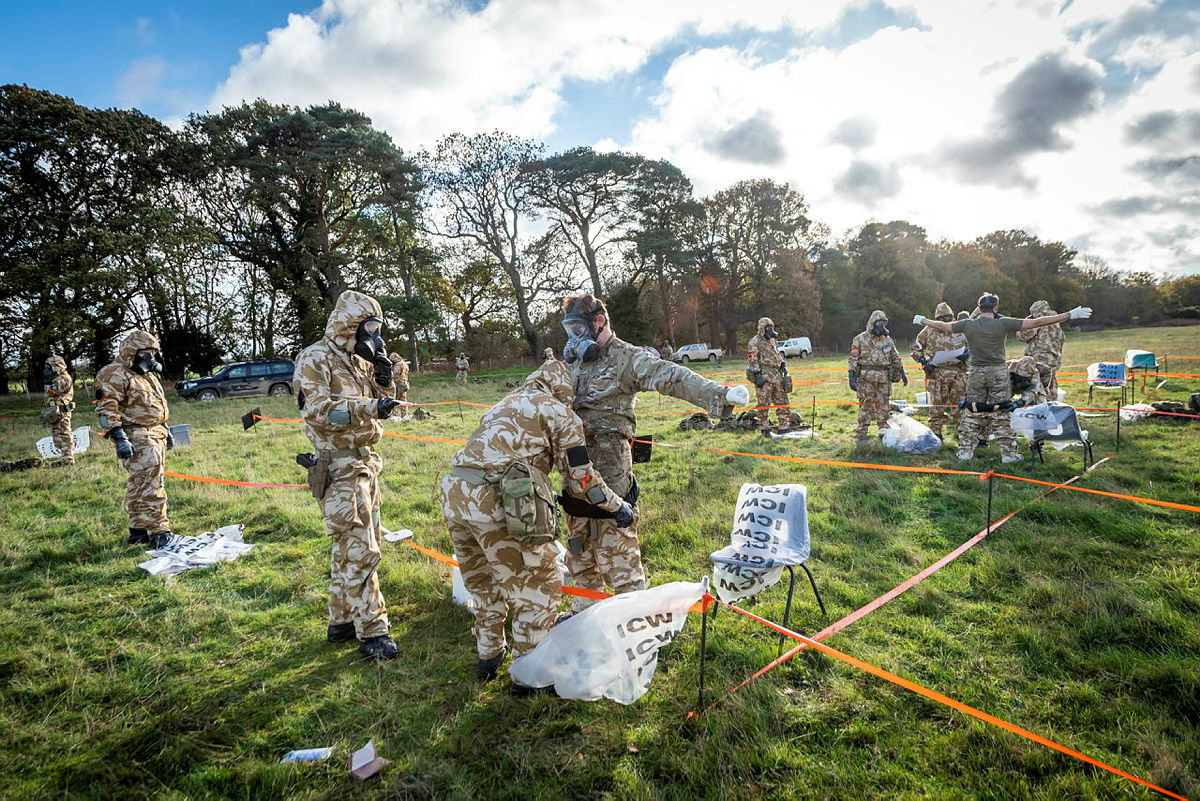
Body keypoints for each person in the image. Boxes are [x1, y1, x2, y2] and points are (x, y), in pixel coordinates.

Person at [441, 358, 633, 694]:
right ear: (565, 389)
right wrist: (618, 506)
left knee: (484, 580)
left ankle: (488, 656)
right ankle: (528, 677)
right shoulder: (561, 414)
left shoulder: (505, 403)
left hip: (455, 495)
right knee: (539, 587)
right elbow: (581, 478)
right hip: (498, 501)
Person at [559, 293, 750, 614]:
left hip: (611, 476)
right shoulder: (572, 362)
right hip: (573, 473)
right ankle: (584, 613)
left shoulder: (627, 358)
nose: (573, 337)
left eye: (579, 327)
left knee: (619, 555)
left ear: (599, 321)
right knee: (579, 552)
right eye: (569, 329)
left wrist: (721, 395)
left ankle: (634, 621)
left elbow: (672, 376)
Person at [294, 290, 401, 662]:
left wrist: (385, 380)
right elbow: (321, 411)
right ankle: (373, 631)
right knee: (362, 550)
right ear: (348, 326)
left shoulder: (358, 361)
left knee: (347, 548)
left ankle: (341, 621)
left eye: (376, 327)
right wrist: (370, 406)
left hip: (365, 463)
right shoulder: (315, 358)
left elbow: (385, 402)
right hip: (338, 467)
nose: (372, 335)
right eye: (367, 327)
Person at [914, 292, 1091, 463]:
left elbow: (943, 326)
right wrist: (1069, 314)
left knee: (972, 410)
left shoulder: (967, 324)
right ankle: (1008, 454)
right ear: (996, 307)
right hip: (998, 372)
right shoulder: (1003, 323)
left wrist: (923, 320)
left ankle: (965, 452)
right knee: (1001, 411)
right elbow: (1038, 322)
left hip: (976, 372)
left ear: (978, 307)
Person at [95, 331, 174, 547]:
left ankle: (138, 529)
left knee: (139, 483)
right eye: (146, 353)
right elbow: (106, 407)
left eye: (153, 353)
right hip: (136, 435)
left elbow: (153, 405)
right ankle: (159, 530)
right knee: (152, 483)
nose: (150, 357)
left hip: (155, 432)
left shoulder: (146, 375)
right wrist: (119, 437)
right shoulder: (114, 373)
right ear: (133, 352)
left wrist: (166, 428)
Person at [910, 303, 967, 442]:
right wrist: (924, 362)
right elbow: (915, 347)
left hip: (957, 372)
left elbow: (971, 345)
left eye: (948, 317)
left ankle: (964, 434)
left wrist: (967, 354)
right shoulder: (928, 330)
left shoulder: (959, 328)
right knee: (937, 406)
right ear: (937, 318)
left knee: (960, 404)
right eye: (942, 318)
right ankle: (936, 435)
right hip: (936, 373)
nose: (946, 320)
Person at [847, 310, 907, 441]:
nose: (881, 326)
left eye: (883, 323)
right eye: (879, 323)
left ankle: (883, 432)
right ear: (872, 323)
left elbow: (895, 356)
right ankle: (861, 433)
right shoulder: (860, 339)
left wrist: (902, 371)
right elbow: (853, 359)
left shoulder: (887, 340)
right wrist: (851, 376)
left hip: (884, 378)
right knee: (865, 405)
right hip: (866, 378)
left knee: (884, 405)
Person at [746, 316, 791, 435]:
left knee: (782, 401)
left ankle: (784, 426)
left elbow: (776, 354)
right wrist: (757, 374)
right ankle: (764, 428)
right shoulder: (754, 342)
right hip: (764, 375)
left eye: (772, 328)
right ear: (762, 329)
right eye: (768, 328)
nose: (770, 330)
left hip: (776, 375)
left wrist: (782, 364)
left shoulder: (772, 340)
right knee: (763, 404)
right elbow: (753, 360)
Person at [1016, 300, 1065, 395]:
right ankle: (1052, 405)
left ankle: (1042, 406)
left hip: (1039, 359)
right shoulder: (1056, 321)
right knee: (1051, 385)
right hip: (1053, 360)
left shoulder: (1038, 321)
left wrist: (1023, 325)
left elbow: (1023, 336)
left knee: (1039, 387)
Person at [41, 355, 76, 467]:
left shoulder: (64, 378)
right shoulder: (56, 379)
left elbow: (52, 391)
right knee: (57, 436)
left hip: (62, 410)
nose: (48, 370)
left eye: (50, 367)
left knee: (65, 435)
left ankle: (68, 460)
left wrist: (48, 383)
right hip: (54, 411)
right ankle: (64, 459)